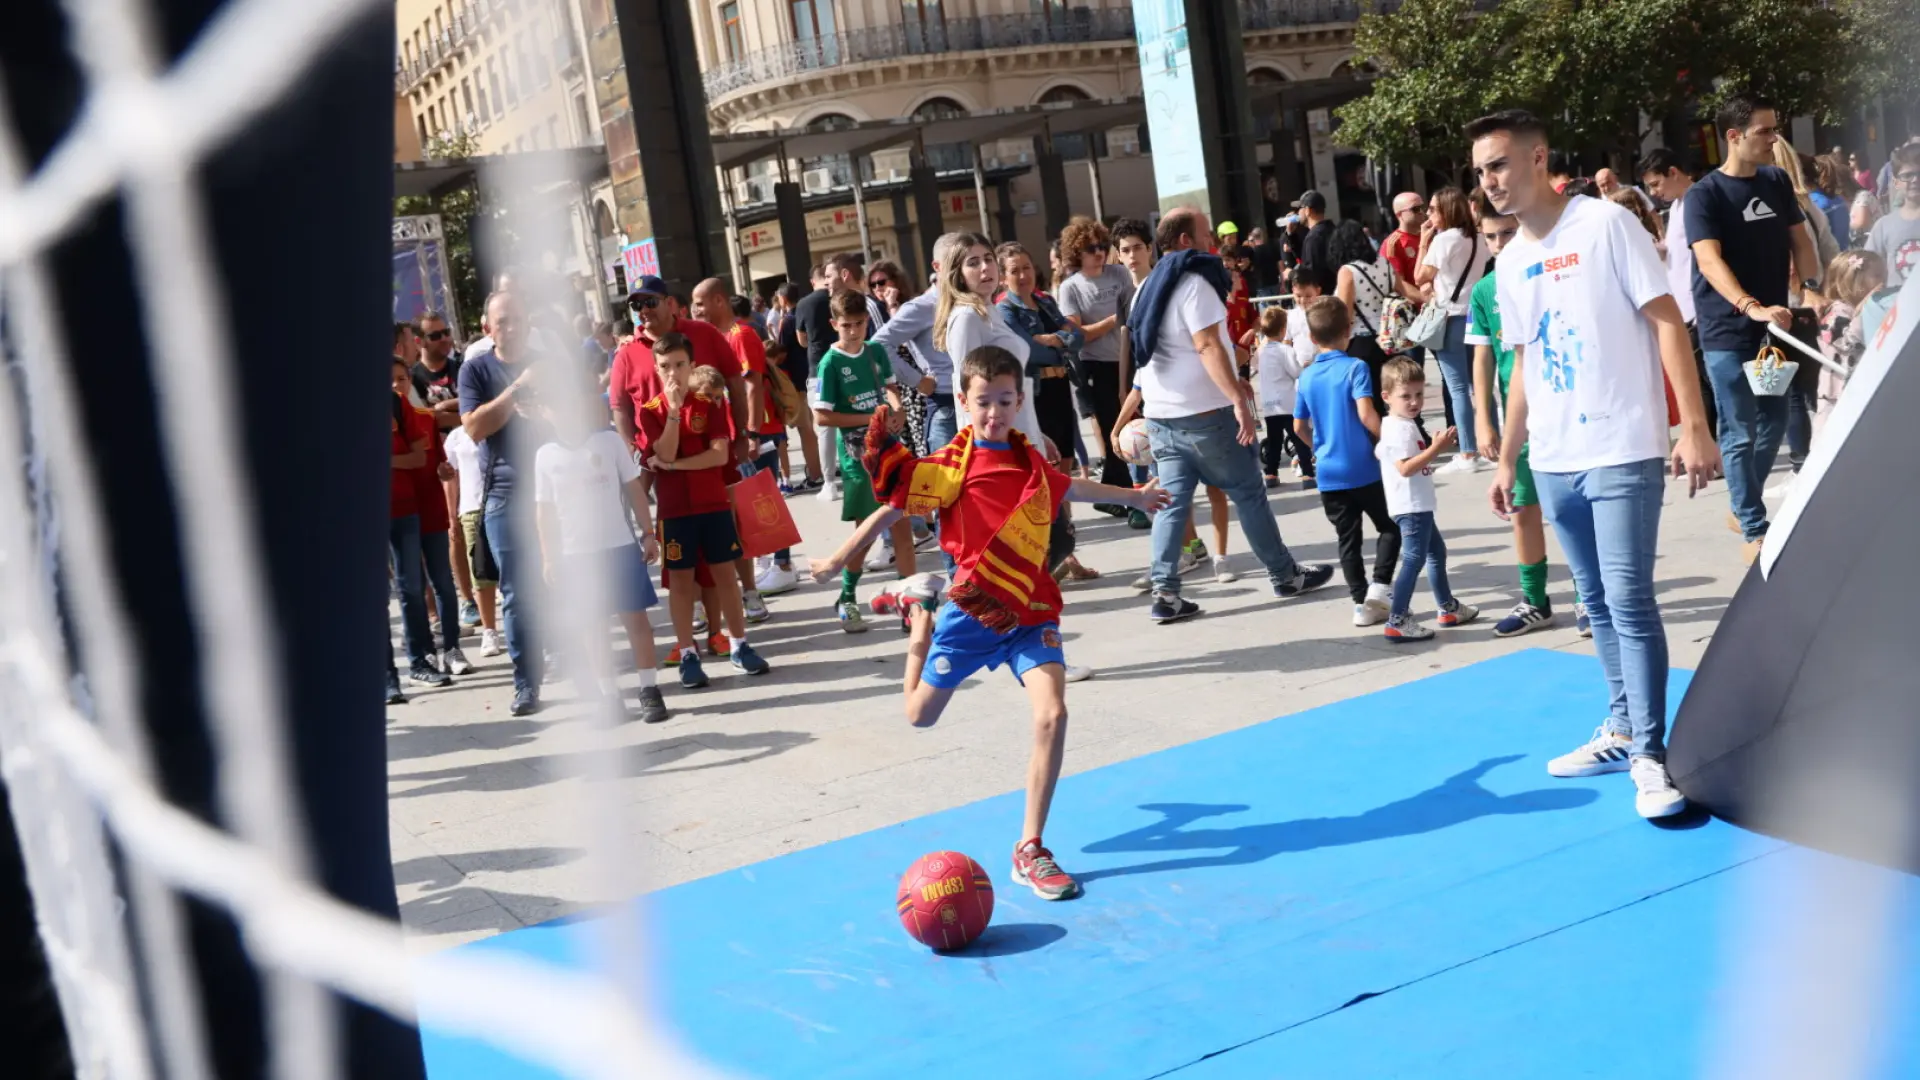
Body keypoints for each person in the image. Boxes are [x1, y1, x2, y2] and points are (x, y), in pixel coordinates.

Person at [812, 346, 1172, 900]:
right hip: (969, 615)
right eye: (983, 402)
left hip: (1029, 612)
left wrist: (1136, 496)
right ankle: (918, 623)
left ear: (1020, 400)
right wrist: (839, 558)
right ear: (963, 402)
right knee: (918, 715)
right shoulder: (951, 469)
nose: (994, 412)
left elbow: (1075, 486)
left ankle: (1030, 848)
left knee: (1052, 713)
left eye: (1005, 401)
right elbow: (891, 505)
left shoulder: (1032, 467)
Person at [1468, 108, 1718, 820]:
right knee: (1594, 601)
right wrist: (1507, 457)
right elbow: (1520, 364)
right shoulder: (1510, 258)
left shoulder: (1608, 225)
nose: (1489, 182)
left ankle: (1650, 753)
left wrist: (1692, 425)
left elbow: (1668, 319)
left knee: (1630, 597)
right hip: (1552, 458)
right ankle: (1618, 725)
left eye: (1499, 165)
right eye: (1481, 171)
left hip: (1622, 445)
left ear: (1538, 157)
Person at [1126, 208, 1335, 623]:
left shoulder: (1146, 287)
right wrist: (1238, 399)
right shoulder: (1194, 283)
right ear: (1185, 241)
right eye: (1206, 234)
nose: (1215, 244)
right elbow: (1206, 346)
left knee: (1170, 505)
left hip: (1162, 416)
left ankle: (1165, 593)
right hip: (1204, 414)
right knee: (1248, 491)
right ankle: (1284, 575)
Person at [1685, 95, 1827, 565]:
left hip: (1772, 334)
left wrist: (1809, 288)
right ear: (1734, 136)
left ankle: (1742, 504)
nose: (1774, 139)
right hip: (1726, 332)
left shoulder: (1775, 180)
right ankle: (1753, 523)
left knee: (1775, 419)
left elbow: (1800, 239)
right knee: (1739, 428)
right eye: (1764, 131)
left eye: (1775, 129)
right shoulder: (1704, 195)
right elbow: (1708, 259)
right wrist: (1749, 305)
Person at [533, 368, 671, 724]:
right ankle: (609, 697)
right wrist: (550, 557)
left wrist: (648, 532)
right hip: (576, 556)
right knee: (593, 628)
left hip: (620, 547)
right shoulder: (545, 456)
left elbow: (634, 489)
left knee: (636, 620)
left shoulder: (608, 442)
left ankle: (649, 689)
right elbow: (544, 513)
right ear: (544, 410)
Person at [1467, 189, 1574, 639]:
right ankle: (1535, 600)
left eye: (1508, 232)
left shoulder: (1550, 271)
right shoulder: (1484, 290)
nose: (1501, 243)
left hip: (1563, 408)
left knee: (1570, 509)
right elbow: (1482, 357)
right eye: (1491, 236)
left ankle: (1589, 596)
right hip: (1518, 418)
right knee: (1522, 509)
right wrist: (1483, 418)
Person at [635, 338, 772, 686]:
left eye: (680, 365)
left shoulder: (709, 403)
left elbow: (719, 455)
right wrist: (672, 413)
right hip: (674, 511)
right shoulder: (650, 409)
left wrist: (675, 465)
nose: (673, 373)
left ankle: (740, 645)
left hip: (713, 503)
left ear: (691, 365)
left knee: (726, 575)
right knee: (680, 583)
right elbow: (660, 450)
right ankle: (688, 653)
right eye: (665, 366)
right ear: (656, 369)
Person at [457, 291, 550, 716]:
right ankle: (525, 683)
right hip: (505, 494)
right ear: (486, 327)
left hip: (555, 486)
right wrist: (517, 389)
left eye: (518, 318)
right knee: (515, 594)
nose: (511, 326)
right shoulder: (476, 369)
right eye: (502, 320)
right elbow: (474, 428)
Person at [814, 289, 918, 631]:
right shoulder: (830, 363)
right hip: (858, 457)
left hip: (890, 450)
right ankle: (846, 597)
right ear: (834, 325)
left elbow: (890, 387)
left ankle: (910, 602)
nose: (854, 331)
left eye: (859, 324)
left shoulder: (874, 350)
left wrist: (897, 409)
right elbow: (822, 417)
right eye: (847, 325)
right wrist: (869, 418)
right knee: (866, 534)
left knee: (902, 529)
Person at [1292, 297, 1400, 627]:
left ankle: (1358, 601)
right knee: (1390, 526)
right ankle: (1381, 587)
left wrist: (1317, 448)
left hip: (1329, 471)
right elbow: (1367, 414)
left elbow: (1299, 426)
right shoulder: (1355, 368)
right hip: (1364, 467)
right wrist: (1391, 442)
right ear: (1348, 331)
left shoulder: (1307, 376)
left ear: (1311, 337)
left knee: (1347, 539)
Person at [694, 277, 799, 601]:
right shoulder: (720, 337)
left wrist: (750, 434)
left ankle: (783, 565)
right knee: (747, 507)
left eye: (700, 302)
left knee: (763, 501)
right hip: (737, 435)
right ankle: (773, 562)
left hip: (757, 434)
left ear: (719, 301)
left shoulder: (741, 335)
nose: (696, 309)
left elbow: (751, 386)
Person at [1375, 357, 1479, 641]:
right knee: (1413, 558)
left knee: (1436, 553)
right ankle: (1398, 618)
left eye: (1419, 394)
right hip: (1411, 505)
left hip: (1417, 503)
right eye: (1405, 396)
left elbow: (1383, 452)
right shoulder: (1399, 427)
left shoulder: (1399, 424)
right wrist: (1436, 448)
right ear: (1387, 397)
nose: (1414, 402)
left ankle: (1448, 608)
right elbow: (1405, 468)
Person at [388, 360, 456, 698]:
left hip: (403, 508)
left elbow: (418, 458)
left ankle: (419, 661)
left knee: (412, 588)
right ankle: (388, 678)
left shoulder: (396, 404)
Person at [1055, 217, 1137, 495]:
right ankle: (1123, 493)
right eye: (1091, 248)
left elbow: (1135, 313)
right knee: (1114, 427)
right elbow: (1077, 334)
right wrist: (1115, 320)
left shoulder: (1120, 274)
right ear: (1077, 252)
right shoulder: (1071, 286)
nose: (1099, 251)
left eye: (1102, 245)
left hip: (1130, 360)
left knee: (1138, 425)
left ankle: (1118, 491)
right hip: (1097, 366)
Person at [1639, 148, 1715, 439]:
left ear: (1673, 172)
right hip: (1684, 305)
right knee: (1697, 379)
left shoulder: (1697, 199)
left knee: (1702, 382)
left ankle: (1709, 443)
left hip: (1696, 306)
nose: (1655, 193)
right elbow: (1677, 252)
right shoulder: (1679, 206)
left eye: (1656, 184)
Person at [1415, 186, 1489, 472]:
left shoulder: (1444, 240)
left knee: (1457, 388)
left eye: (1432, 208)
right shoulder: (1479, 239)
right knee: (1480, 385)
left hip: (1451, 318)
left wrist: (1423, 242)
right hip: (1475, 316)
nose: (1429, 214)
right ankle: (1489, 443)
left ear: (1446, 210)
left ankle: (1469, 452)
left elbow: (1420, 275)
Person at [442, 422, 502, 657]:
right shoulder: (456, 437)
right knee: (482, 573)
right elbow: (450, 478)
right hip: (471, 509)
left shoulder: (503, 426)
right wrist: (451, 517)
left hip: (504, 503)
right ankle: (490, 631)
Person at [1813, 249, 1886, 440]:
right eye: (1877, 275)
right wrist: (1864, 309)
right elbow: (1846, 342)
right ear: (1853, 281)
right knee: (1829, 438)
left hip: (1860, 385)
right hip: (1837, 390)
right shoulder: (1837, 312)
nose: (1884, 280)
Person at [1330, 218, 1400, 415]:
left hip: (1361, 343)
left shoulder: (1348, 271)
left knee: (1369, 403)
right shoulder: (1383, 264)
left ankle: (1377, 442)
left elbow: (1346, 315)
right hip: (1388, 339)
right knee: (1393, 397)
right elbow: (1402, 289)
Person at [771, 281, 825, 491]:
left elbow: (781, 352)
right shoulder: (804, 314)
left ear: (783, 299)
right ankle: (820, 467)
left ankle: (815, 473)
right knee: (816, 425)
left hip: (798, 381)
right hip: (811, 375)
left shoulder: (787, 321)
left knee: (806, 429)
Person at [1254, 303, 1313, 485]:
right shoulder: (1285, 350)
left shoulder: (1260, 352)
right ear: (1283, 329)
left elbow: (1256, 368)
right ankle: (1307, 473)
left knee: (1274, 440)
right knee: (1298, 437)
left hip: (1269, 404)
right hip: (1287, 402)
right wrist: (1304, 366)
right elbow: (1295, 371)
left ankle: (1271, 473)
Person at [1865, 143, 1920, 288]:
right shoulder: (1884, 226)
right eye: (1907, 175)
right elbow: (1869, 271)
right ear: (1896, 182)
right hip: (1897, 306)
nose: (1915, 180)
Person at [411, 311, 465, 431]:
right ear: (419, 341)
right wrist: (468, 415)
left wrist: (443, 406)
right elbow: (424, 419)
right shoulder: (412, 378)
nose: (444, 339)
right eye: (435, 336)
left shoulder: (464, 368)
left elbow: (480, 400)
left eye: (446, 333)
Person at [1293, 190, 1335, 274]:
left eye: (1300, 208)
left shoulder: (1313, 237)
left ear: (1308, 211)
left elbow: (1310, 274)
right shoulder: (1333, 229)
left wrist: (1291, 274)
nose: (1298, 212)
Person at [1246, 225, 1283, 297]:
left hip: (1261, 286)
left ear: (1253, 238)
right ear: (1263, 236)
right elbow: (1281, 266)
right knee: (1276, 306)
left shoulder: (1252, 252)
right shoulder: (1273, 248)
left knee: (1265, 307)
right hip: (1275, 283)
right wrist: (1283, 283)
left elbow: (1251, 268)